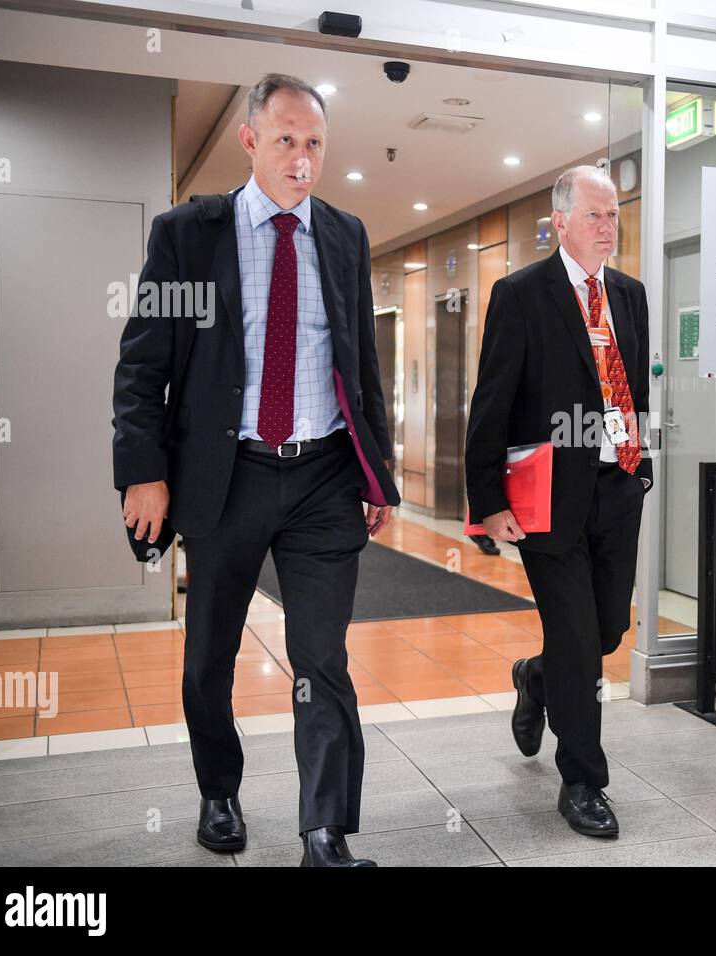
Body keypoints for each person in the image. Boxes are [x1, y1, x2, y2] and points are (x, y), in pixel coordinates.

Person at [112, 73, 399, 867]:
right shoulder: (189, 235)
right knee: (209, 654)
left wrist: (379, 475)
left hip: (323, 478)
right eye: (286, 141)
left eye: (314, 144)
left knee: (322, 658)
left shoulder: (344, 235)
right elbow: (142, 366)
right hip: (224, 474)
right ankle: (219, 790)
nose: (302, 160)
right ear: (250, 140)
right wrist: (143, 471)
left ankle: (323, 831)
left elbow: (361, 366)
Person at [464, 164, 652, 838]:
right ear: (562, 221)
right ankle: (582, 781)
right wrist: (486, 499)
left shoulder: (629, 296)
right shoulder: (521, 295)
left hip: (616, 490)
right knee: (577, 639)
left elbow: (634, 389)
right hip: (550, 499)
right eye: (596, 216)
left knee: (603, 632)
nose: (609, 228)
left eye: (615, 216)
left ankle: (536, 679)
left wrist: (641, 466)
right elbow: (492, 400)